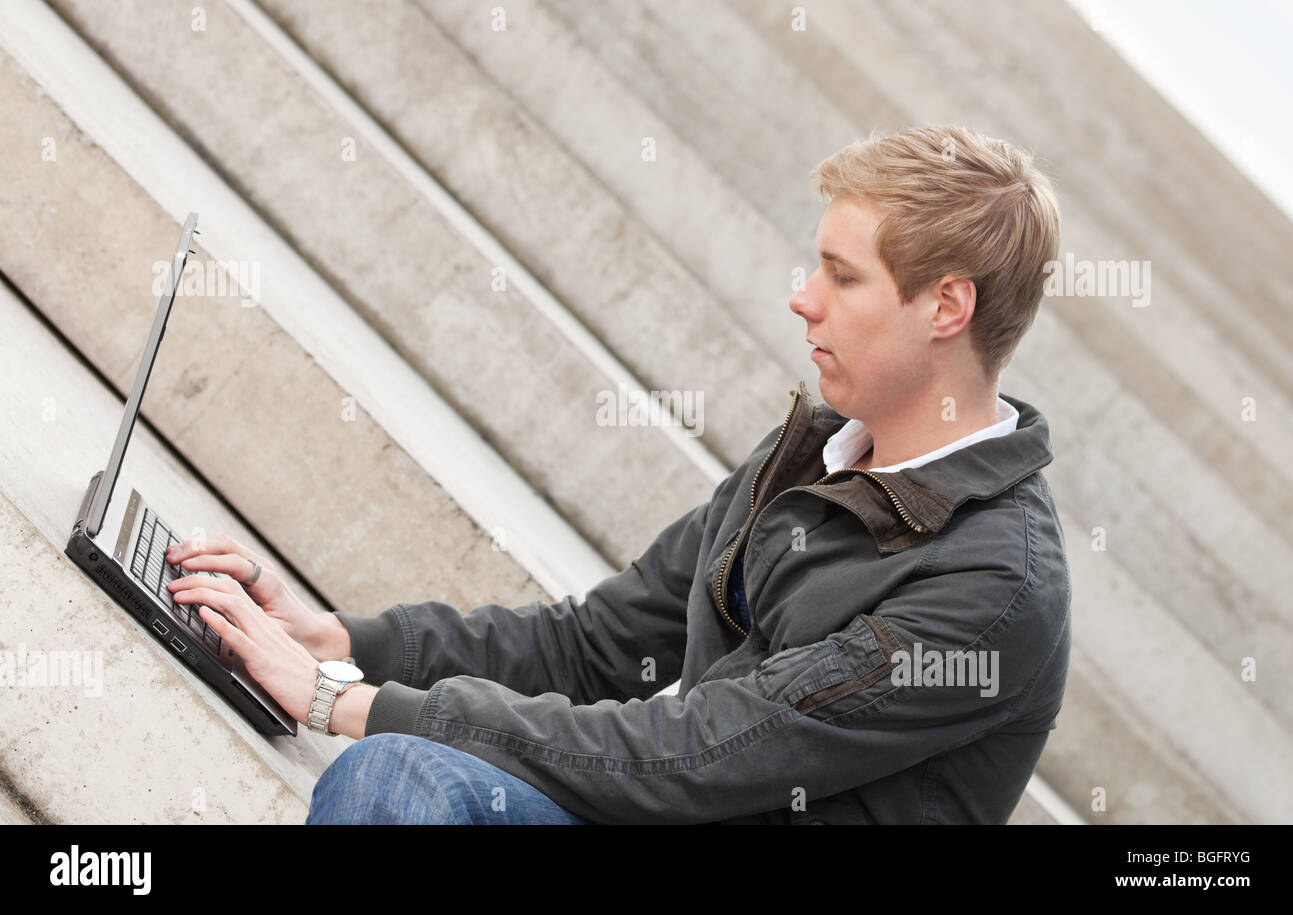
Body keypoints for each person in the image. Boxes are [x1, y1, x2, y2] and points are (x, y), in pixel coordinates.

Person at [164, 125, 1071, 824]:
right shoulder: (821, 449)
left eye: (841, 275)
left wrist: (346, 704)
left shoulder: (994, 588)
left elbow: (705, 750)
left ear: (946, 305)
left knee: (403, 777)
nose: (803, 296)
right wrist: (341, 643)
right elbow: (595, 645)